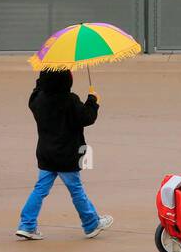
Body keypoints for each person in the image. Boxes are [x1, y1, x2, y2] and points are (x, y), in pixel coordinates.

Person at [15, 69, 113, 240]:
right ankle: (91, 223)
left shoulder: (38, 100)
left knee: (40, 189)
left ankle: (27, 224)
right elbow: (87, 118)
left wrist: (42, 79)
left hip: (46, 154)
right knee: (76, 190)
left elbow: (35, 92)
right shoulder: (70, 100)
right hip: (67, 155)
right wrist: (92, 100)